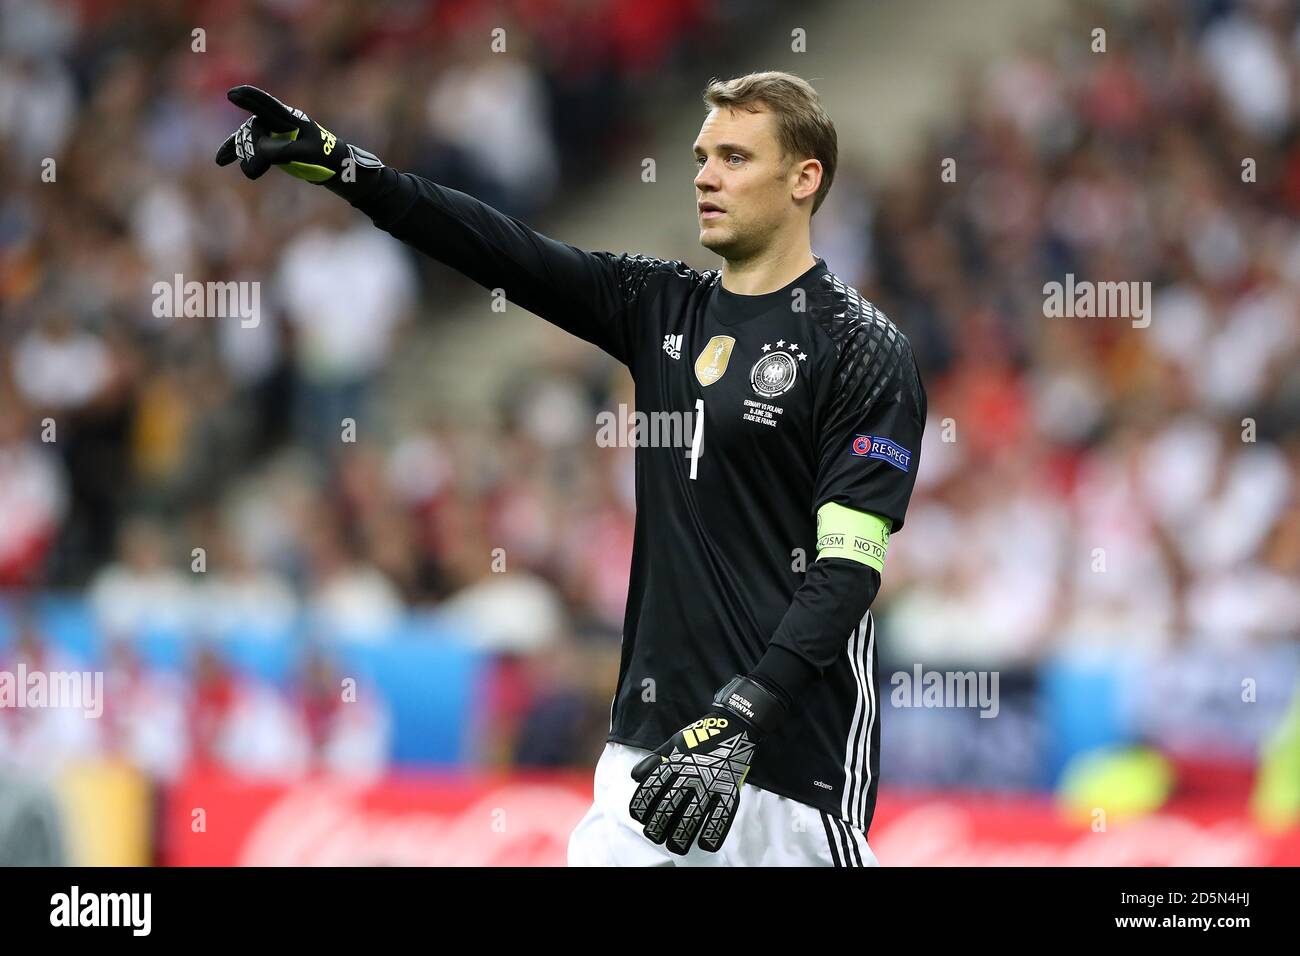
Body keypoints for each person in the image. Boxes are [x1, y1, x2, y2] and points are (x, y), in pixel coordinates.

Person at [216, 70, 927, 866]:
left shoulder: (863, 350)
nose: (704, 174)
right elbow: (499, 250)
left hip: (791, 776)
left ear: (805, 179)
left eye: (733, 156)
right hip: (645, 759)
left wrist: (744, 716)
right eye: (700, 155)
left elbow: (847, 573)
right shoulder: (660, 306)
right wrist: (348, 169)